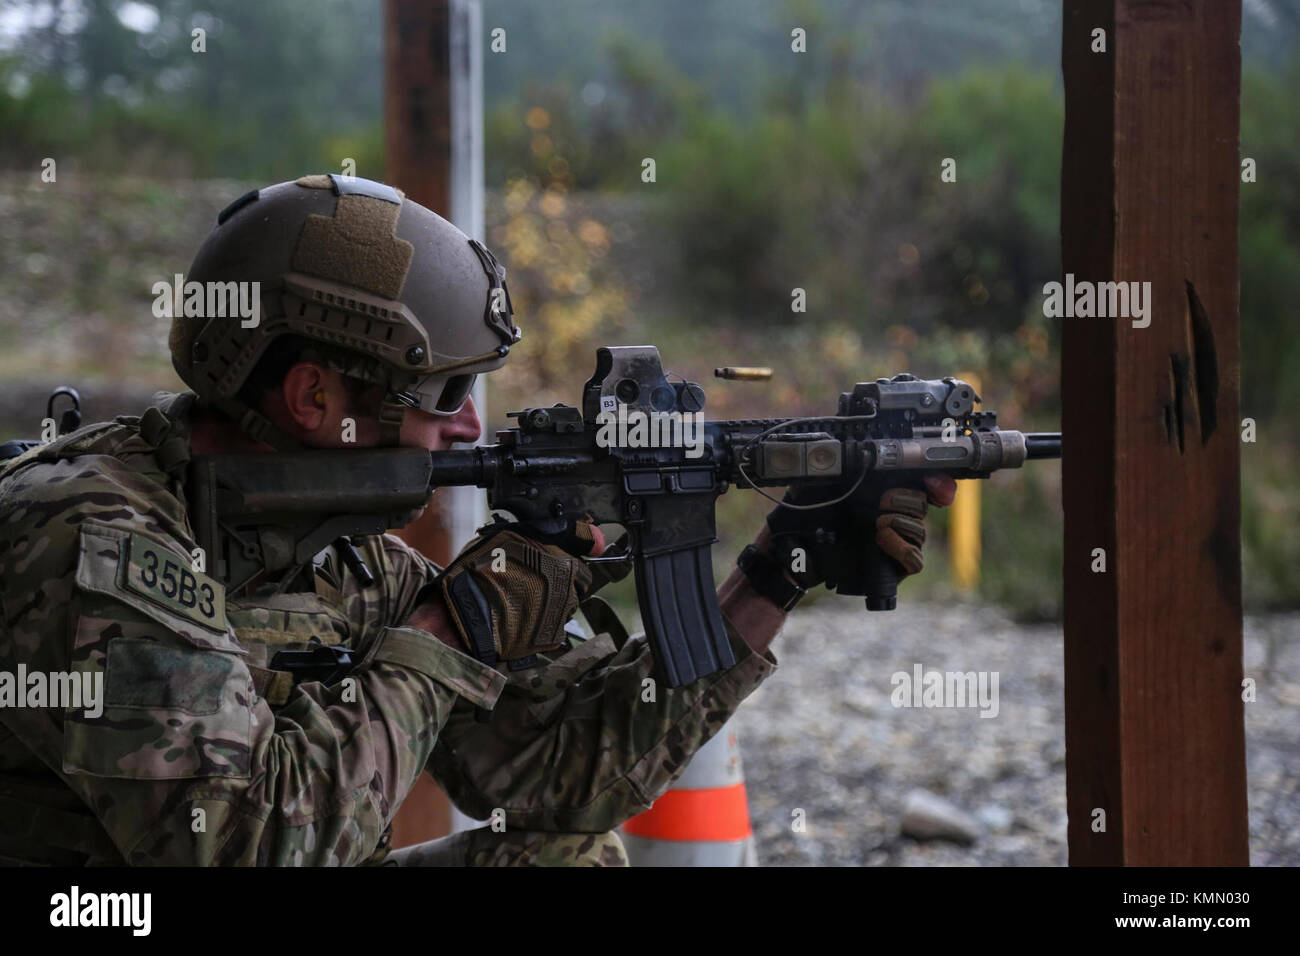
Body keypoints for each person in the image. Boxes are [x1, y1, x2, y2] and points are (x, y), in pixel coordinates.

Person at [0, 174, 954, 866]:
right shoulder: (97, 544)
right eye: (441, 388)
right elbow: (252, 841)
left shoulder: (339, 557)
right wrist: (452, 632)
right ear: (311, 393)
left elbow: (554, 771)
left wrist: (777, 570)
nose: (465, 421)